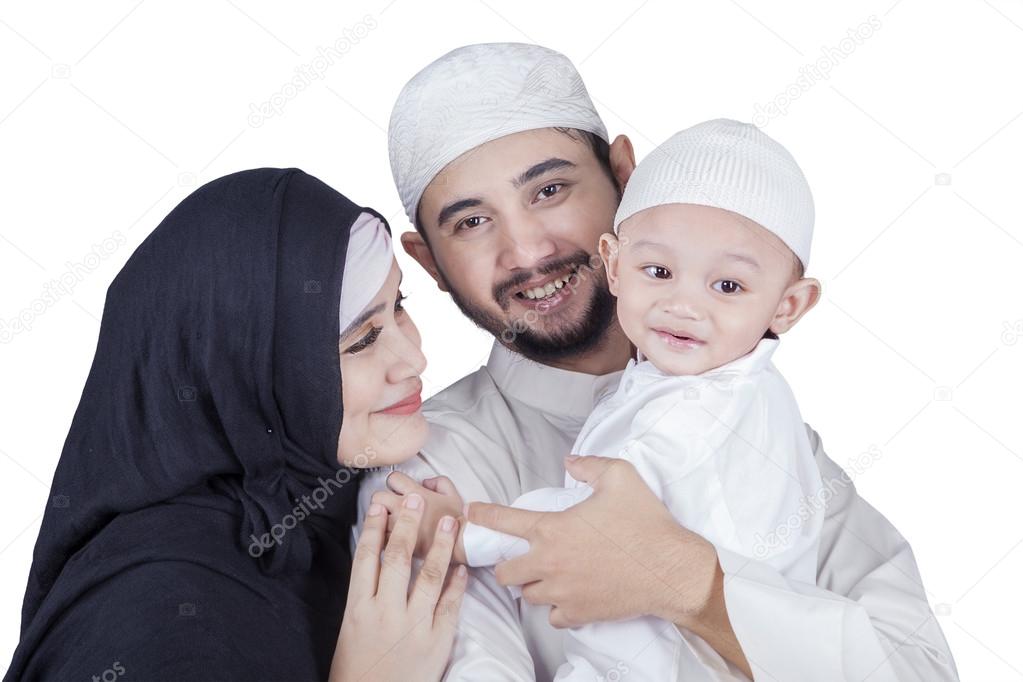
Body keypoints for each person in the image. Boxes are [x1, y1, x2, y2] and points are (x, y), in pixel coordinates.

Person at [367, 42, 958, 681]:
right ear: (429, 263)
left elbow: (920, 668)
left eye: (550, 189)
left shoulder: (761, 421)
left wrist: (694, 585)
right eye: (473, 221)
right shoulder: (425, 473)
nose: (527, 249)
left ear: (625, 176)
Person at [4, 168, 465, 682]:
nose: (414, 359)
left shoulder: (346, 502)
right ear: (243, 372)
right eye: (360, 340)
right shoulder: (158, 621)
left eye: (398, 307)